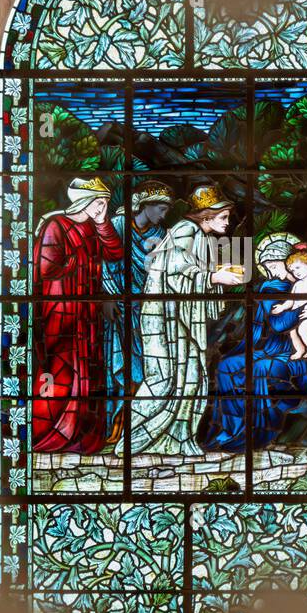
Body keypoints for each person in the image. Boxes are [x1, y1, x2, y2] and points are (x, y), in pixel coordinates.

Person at [130, 184, 244, 456]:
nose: (228, 223)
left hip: (176, 317)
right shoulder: (185, 230)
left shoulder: (199, 236)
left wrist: (216, 274)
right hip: (165, 319)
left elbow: (188, 271)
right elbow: (176, 272)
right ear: (206, 216)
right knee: (164, 381)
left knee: (190, 379)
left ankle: (177, 440)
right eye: (223, 217)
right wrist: (215, 277)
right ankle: (134, 438)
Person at [203, 233, 307, 452]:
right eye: (266, 267)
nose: (270, 272)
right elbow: (278, 324)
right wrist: (300, 308)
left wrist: (304, 313)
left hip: (297, 355)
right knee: (227, 365)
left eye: (273, 265)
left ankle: (260, 429)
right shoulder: (271, 289)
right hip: (272, 349)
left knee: (261, 369)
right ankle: (232, 429)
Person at [29, 176, 123, 453]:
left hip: (87, 313)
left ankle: (82, 436)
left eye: (105, 202)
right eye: (99, 202)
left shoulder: (93, 228)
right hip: (61, 311)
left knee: (88, 370)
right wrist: (76, 261)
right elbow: (46, 269)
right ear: (85, 201)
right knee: (62, 368)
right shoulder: (55, 225)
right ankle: (49, 432)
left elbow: (115, 253)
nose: (102, 207)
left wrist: (102, 223)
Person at [101, 181, 173, 436]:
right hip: (118, 308)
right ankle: (115, 425)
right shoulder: (118, 226)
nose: (164, 215)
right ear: (146, 205)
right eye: (162, 208)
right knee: (117, 363)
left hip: (147, 309)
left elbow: (165, 272)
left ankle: (136, 425)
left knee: (143, 365)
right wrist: (107, 297)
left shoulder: (163, 234)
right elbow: (103, 262)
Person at [271, 243, 307, 359]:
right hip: (297, 314)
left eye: (297, 267)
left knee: (303, 329)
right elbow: (291, 301)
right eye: (292, 270)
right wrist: (282, 307)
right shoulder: (297, 284)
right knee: (293, 332)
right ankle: (300, 350)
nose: (295, 272)